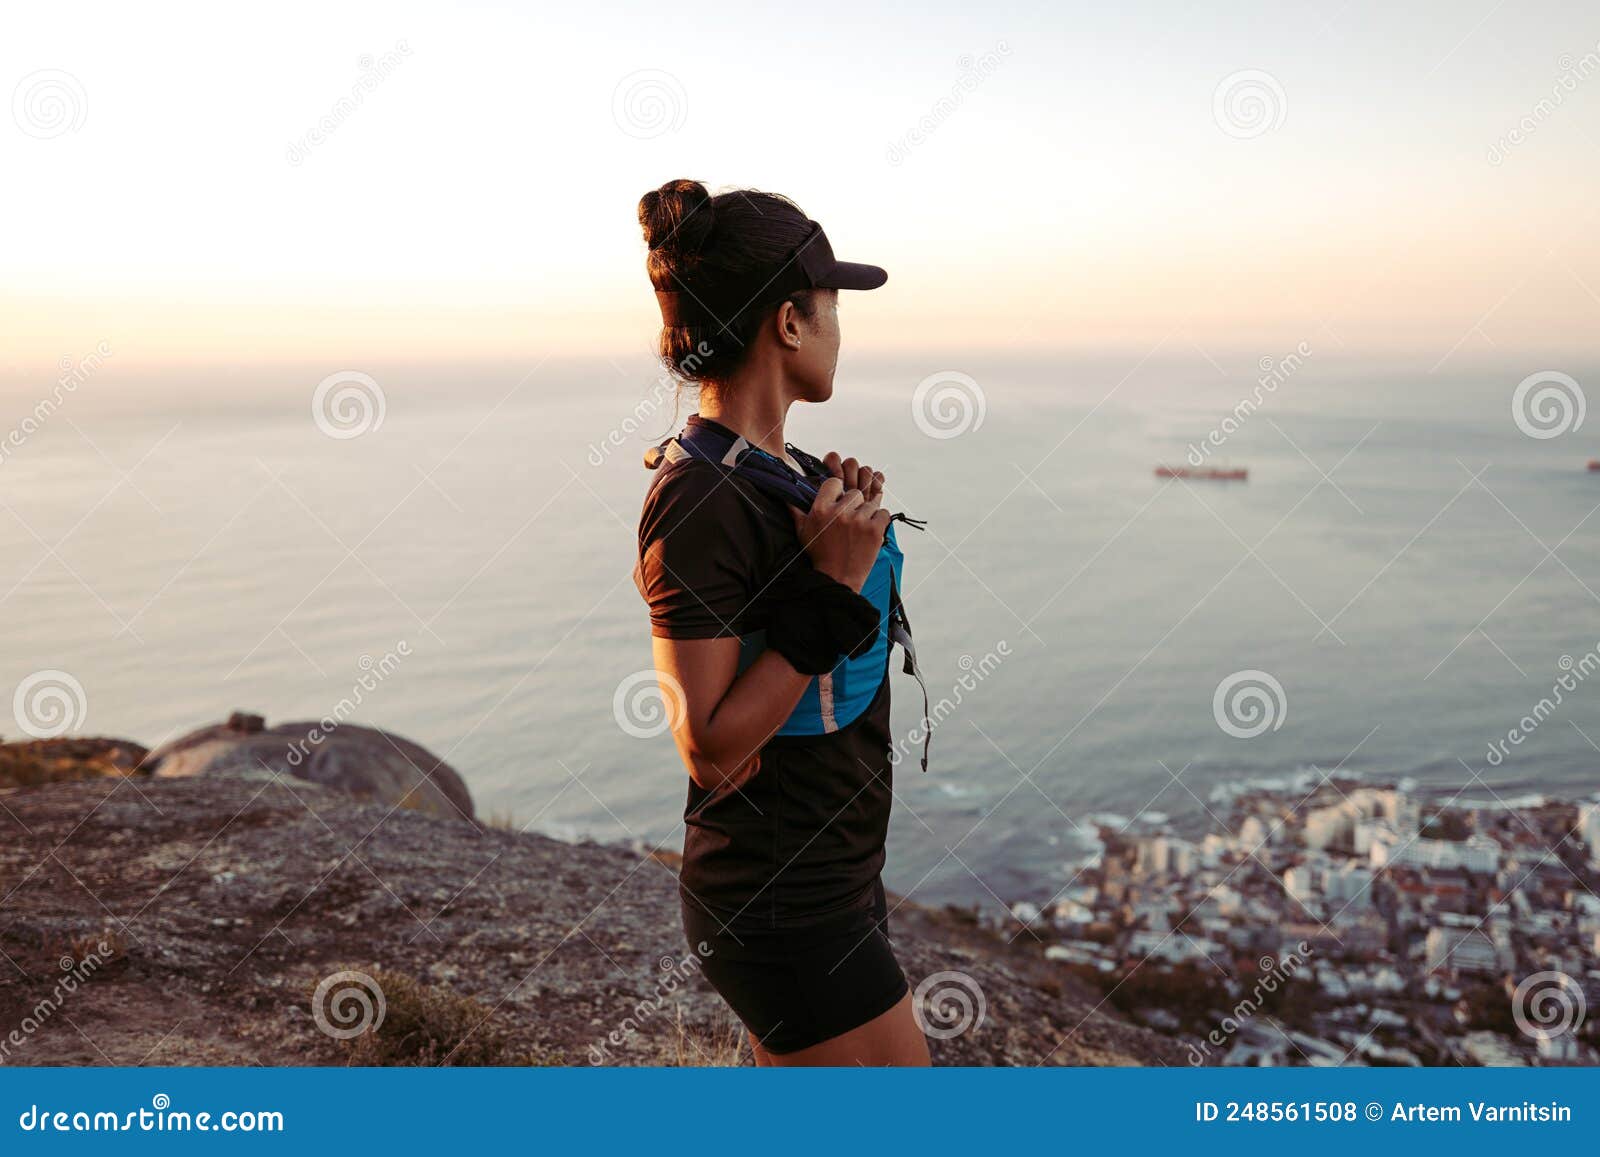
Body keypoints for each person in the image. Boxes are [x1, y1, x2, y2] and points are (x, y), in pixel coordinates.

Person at [632, 179, 930, 1066]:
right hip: (780, 897)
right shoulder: (698, 497)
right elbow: (710, 747)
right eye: (833, 304)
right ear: (790, 323)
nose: (842, 329)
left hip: (832, 873)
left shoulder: (778, 470)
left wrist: (850, 534)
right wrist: (832, 591)